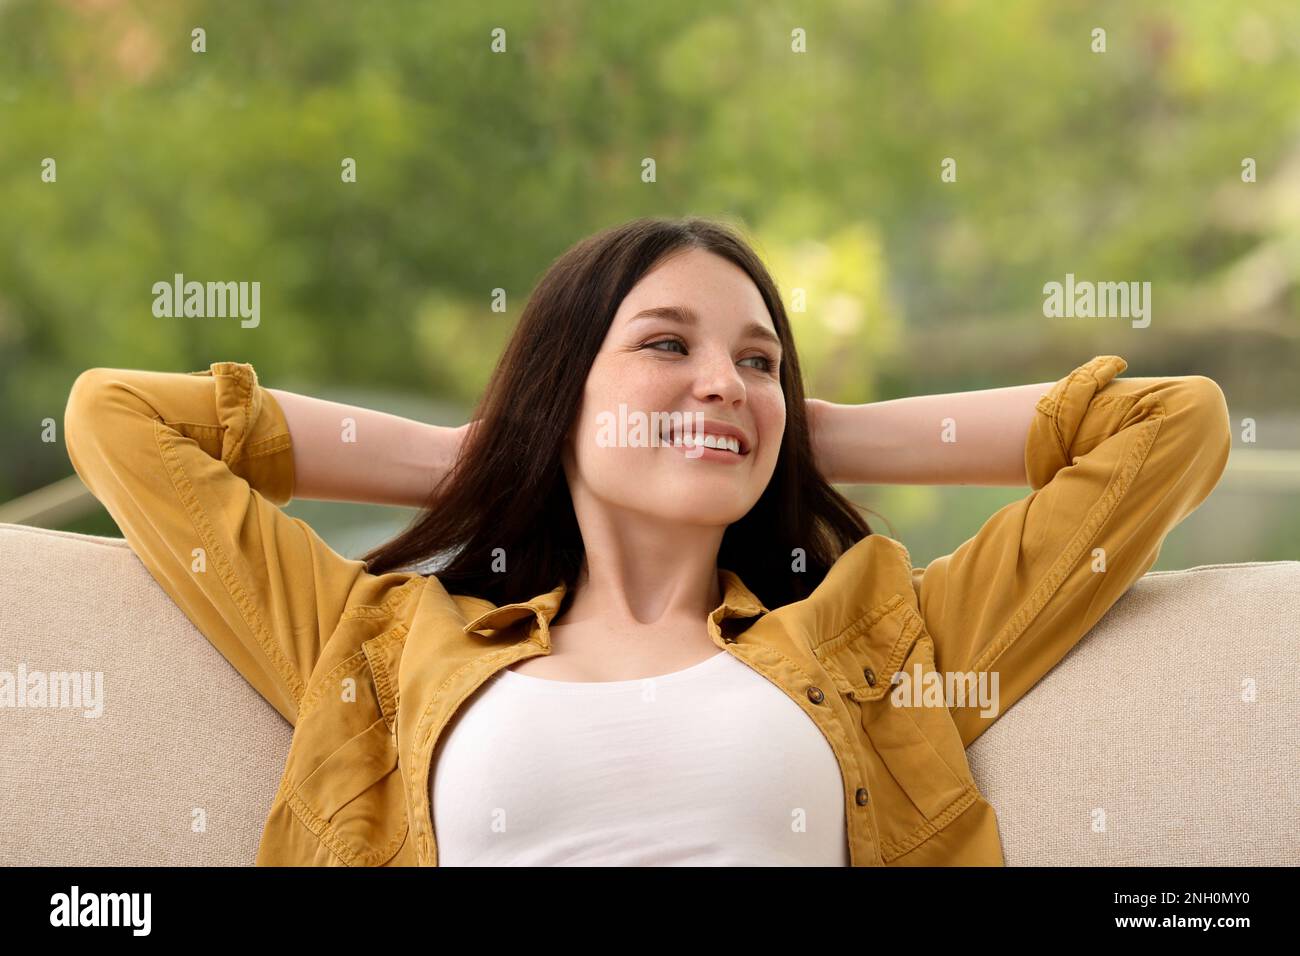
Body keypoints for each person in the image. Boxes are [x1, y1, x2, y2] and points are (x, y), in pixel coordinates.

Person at [63, 216, 1232, 866]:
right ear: (562, 388)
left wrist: (802, 430)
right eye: (666, 345)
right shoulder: (379, 646)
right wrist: (469, 454)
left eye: (759, 357)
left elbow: (1169, 425)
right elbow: (121, 419)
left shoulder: (882, 637)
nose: (723, 378)